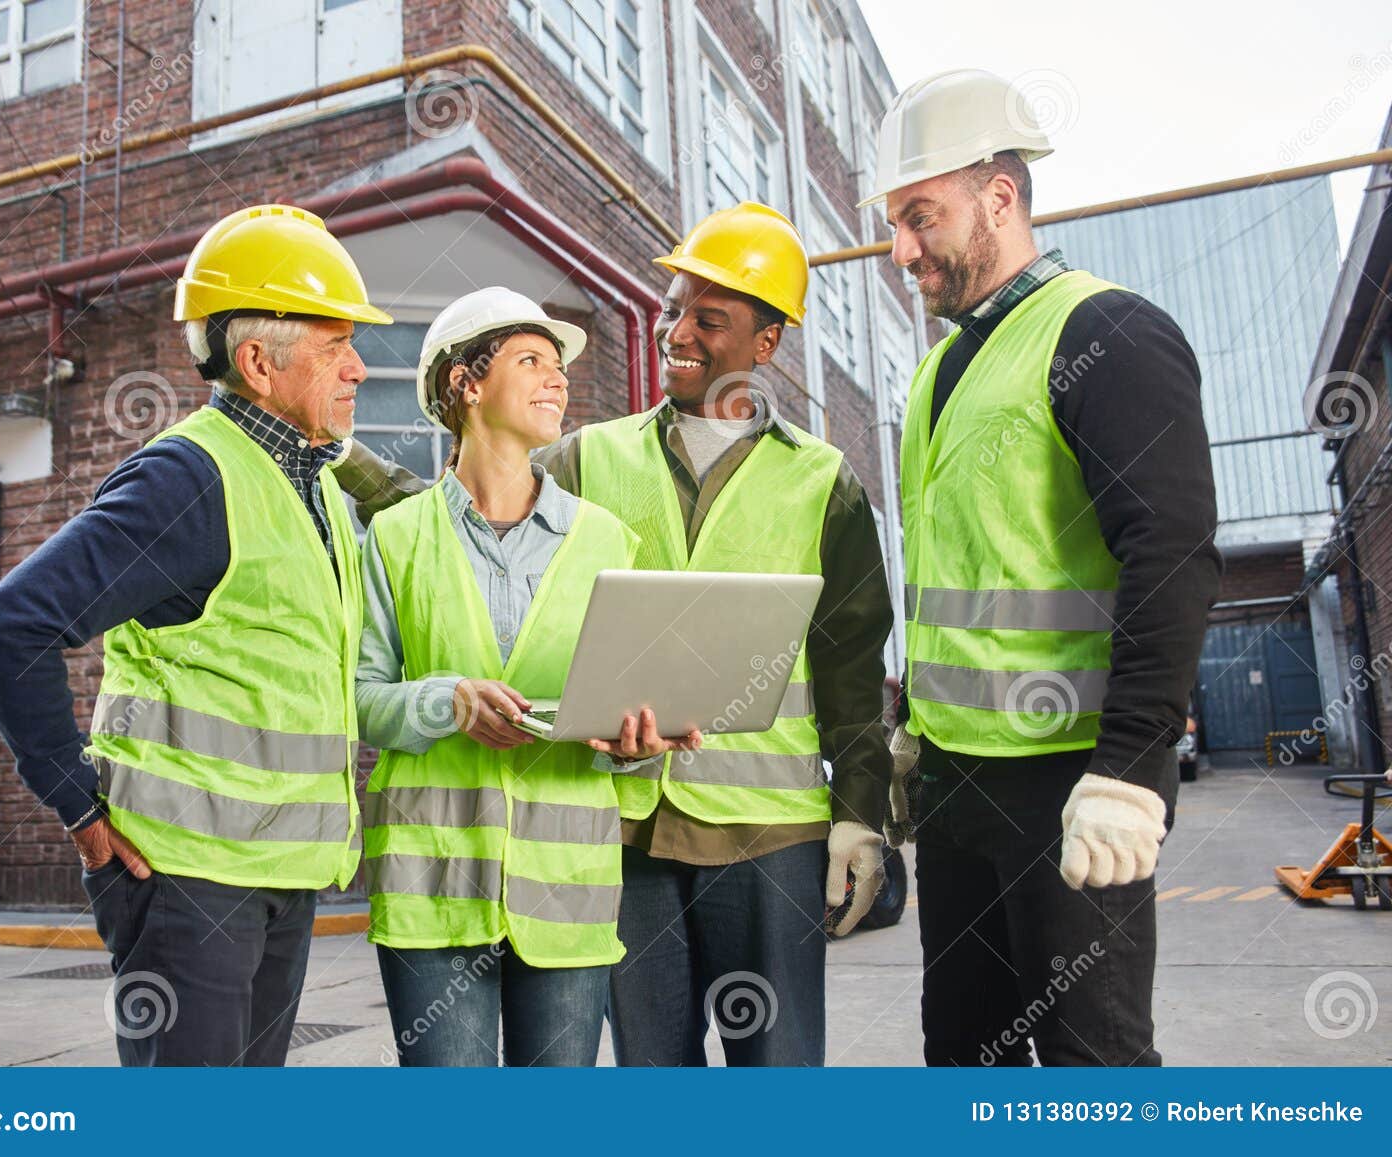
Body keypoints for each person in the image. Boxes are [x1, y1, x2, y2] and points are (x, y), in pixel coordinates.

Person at [336, 207, 895, 1067]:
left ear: (768, 342)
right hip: (627, 837)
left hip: (766, 832)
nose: (678, 333)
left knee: (776, 1076)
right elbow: (465, 509)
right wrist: (342, 456)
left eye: (709, 320)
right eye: (673, 310)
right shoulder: (591, 456)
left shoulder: (824, 482)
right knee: (647, 1079)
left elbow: (853, 667)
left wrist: (860, 817)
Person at [0, 205, 392, 1066]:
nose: (359, 365)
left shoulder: (313, 483)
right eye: (336, 343)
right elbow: (8, 627)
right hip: (190, 883)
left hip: (279, 875)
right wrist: (79, 808)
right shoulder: (188, 480)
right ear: (259, 362)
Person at [863, 69, 1221, 1066]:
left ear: (1000, 197)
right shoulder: (938, 370)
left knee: (1088, 1061)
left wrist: (1130, 769)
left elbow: (1173, 555)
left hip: (1069, 780)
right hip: (957, 785)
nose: (901, 250)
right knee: (963, 1053)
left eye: (919, 216)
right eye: (893, 222)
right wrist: (909, 743)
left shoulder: (1105, 334)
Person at [357, 287, 699, 1066]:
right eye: (531, 361)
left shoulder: (606, 539)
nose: (558, 380)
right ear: (466, 384)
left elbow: (629, 716)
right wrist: (445, 700)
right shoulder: (395, 537)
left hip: (568, 890)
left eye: (559, 367)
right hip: (432, 894)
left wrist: (640, 745)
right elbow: (361, 697)